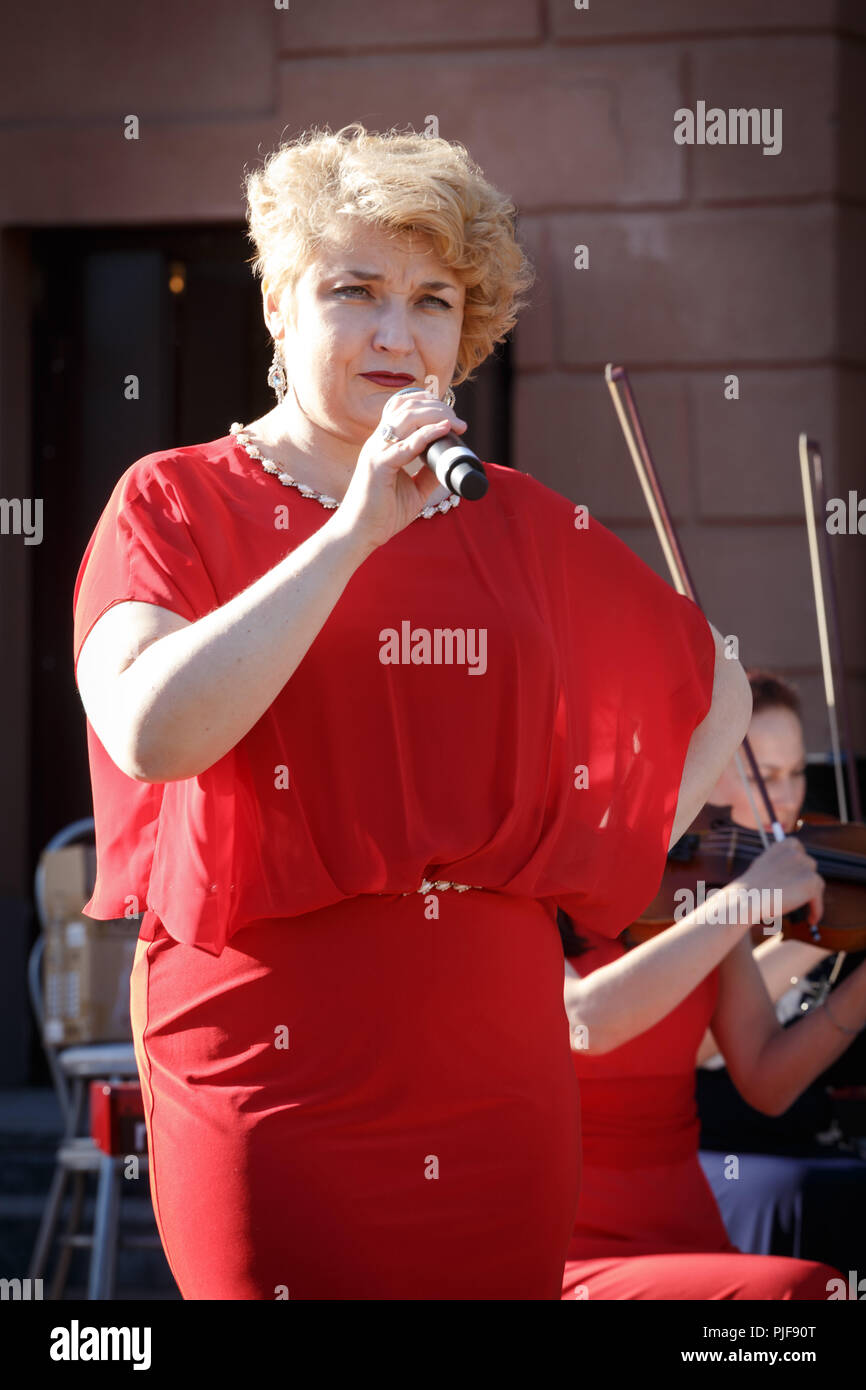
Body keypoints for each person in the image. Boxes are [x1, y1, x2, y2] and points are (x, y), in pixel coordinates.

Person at [72, 124, 749, 1300]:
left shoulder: (521, 522)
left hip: (496, 1069)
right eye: (355, 291)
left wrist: (568, 853)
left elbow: (713, 688)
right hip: (267, 1067)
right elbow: (152, 730)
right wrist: (348, 536)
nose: (398, 332)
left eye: (434, 299)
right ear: (280, 303)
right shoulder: (172, 500)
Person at [557, 786, 866, 1297]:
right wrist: (746, 897)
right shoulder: (523, 897)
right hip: (567, 1248)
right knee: (805, 1290)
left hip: (688, 1231)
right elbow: (587, 1020)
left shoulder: (694, 886)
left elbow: (769, 1079)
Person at [696, 670, 866, 1275]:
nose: (789, 795)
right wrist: (818, 939)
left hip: (813, 1142)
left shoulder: (827, 865)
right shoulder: (683, 893)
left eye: (796, 772)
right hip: (719, 1155)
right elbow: (701, 1043)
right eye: (766, 777)